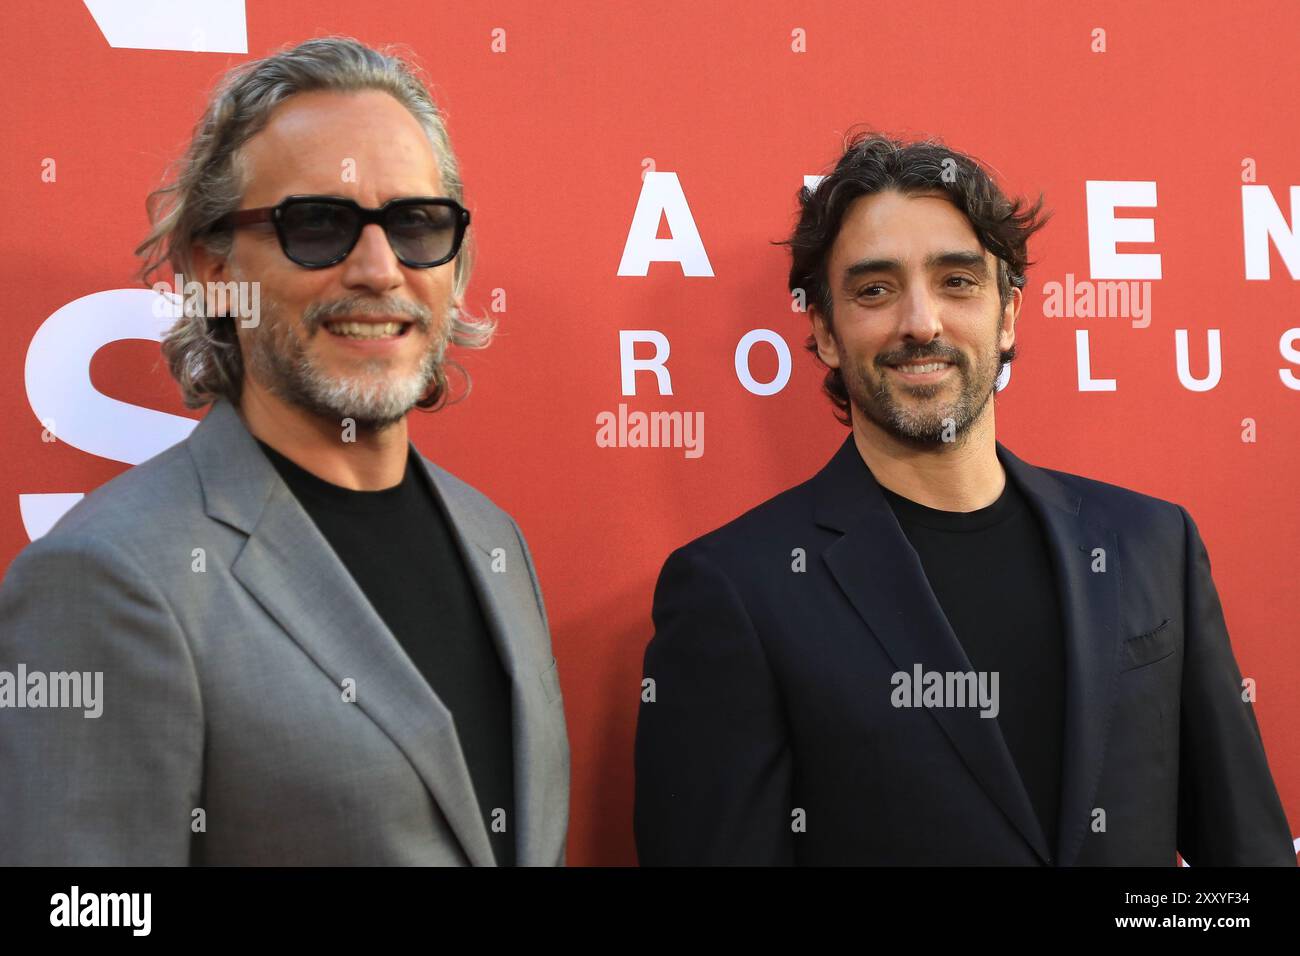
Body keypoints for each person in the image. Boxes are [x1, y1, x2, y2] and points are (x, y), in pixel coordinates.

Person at [634, 132, 1294, 866]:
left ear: (1008, 314)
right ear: (822, 329)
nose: (921, 322)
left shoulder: (1151, 543)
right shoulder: (737, 589)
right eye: (875, 290)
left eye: (957, 281)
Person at [0, 36, 569, 866]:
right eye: (318, 226)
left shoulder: (495, 541)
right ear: (212, 266)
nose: (379, 269)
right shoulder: (109, 576)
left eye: (415, 225)